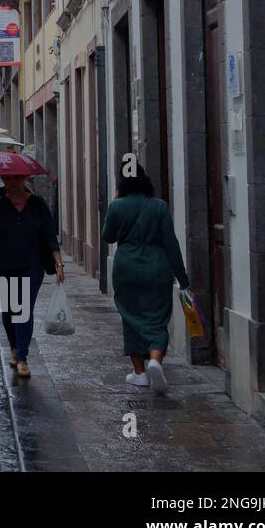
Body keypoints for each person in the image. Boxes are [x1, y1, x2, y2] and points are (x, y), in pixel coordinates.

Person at [102, 166, 190, 394]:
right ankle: (155, 360)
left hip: (126, 268)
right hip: (157, 267)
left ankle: (139, 373)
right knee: (157, 317)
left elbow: (107, 236)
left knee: (130, 317)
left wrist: (117, 203)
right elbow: (171, 243)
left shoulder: (116, 206)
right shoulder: (159, 206)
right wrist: (183, 278)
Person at [0, 174, 63, 378]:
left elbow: (49, 234)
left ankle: (23, 358)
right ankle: (14, 348)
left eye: (16, 178)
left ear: (23, 179)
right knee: (9, 311)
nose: (13, 182)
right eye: (8, 179)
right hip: (5, 265)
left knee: (24, 309)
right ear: (3, 181)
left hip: (32, 265)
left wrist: (58, 263)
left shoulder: (37, 204)